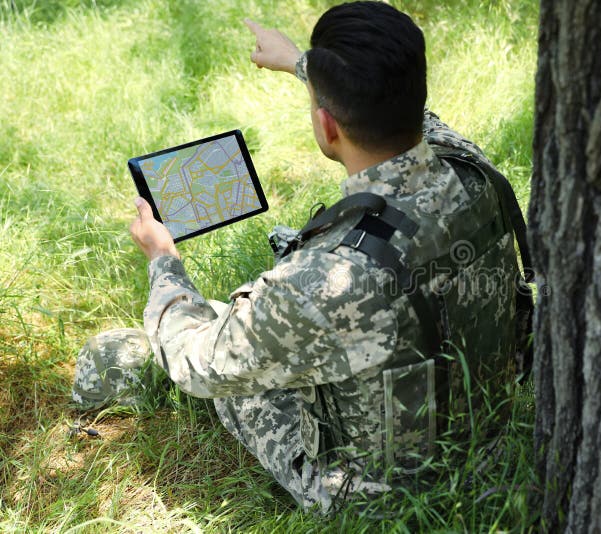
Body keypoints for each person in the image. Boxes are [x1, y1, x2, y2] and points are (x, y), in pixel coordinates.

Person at [72, 1, 529, 512]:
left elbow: (196, 363)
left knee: (169, 342)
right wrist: (301, 65)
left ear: (327, 126)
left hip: (387, 497)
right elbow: (419, 117)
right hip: (487, 434)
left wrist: (163, 262)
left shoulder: (326, 280)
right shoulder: (473, 173)